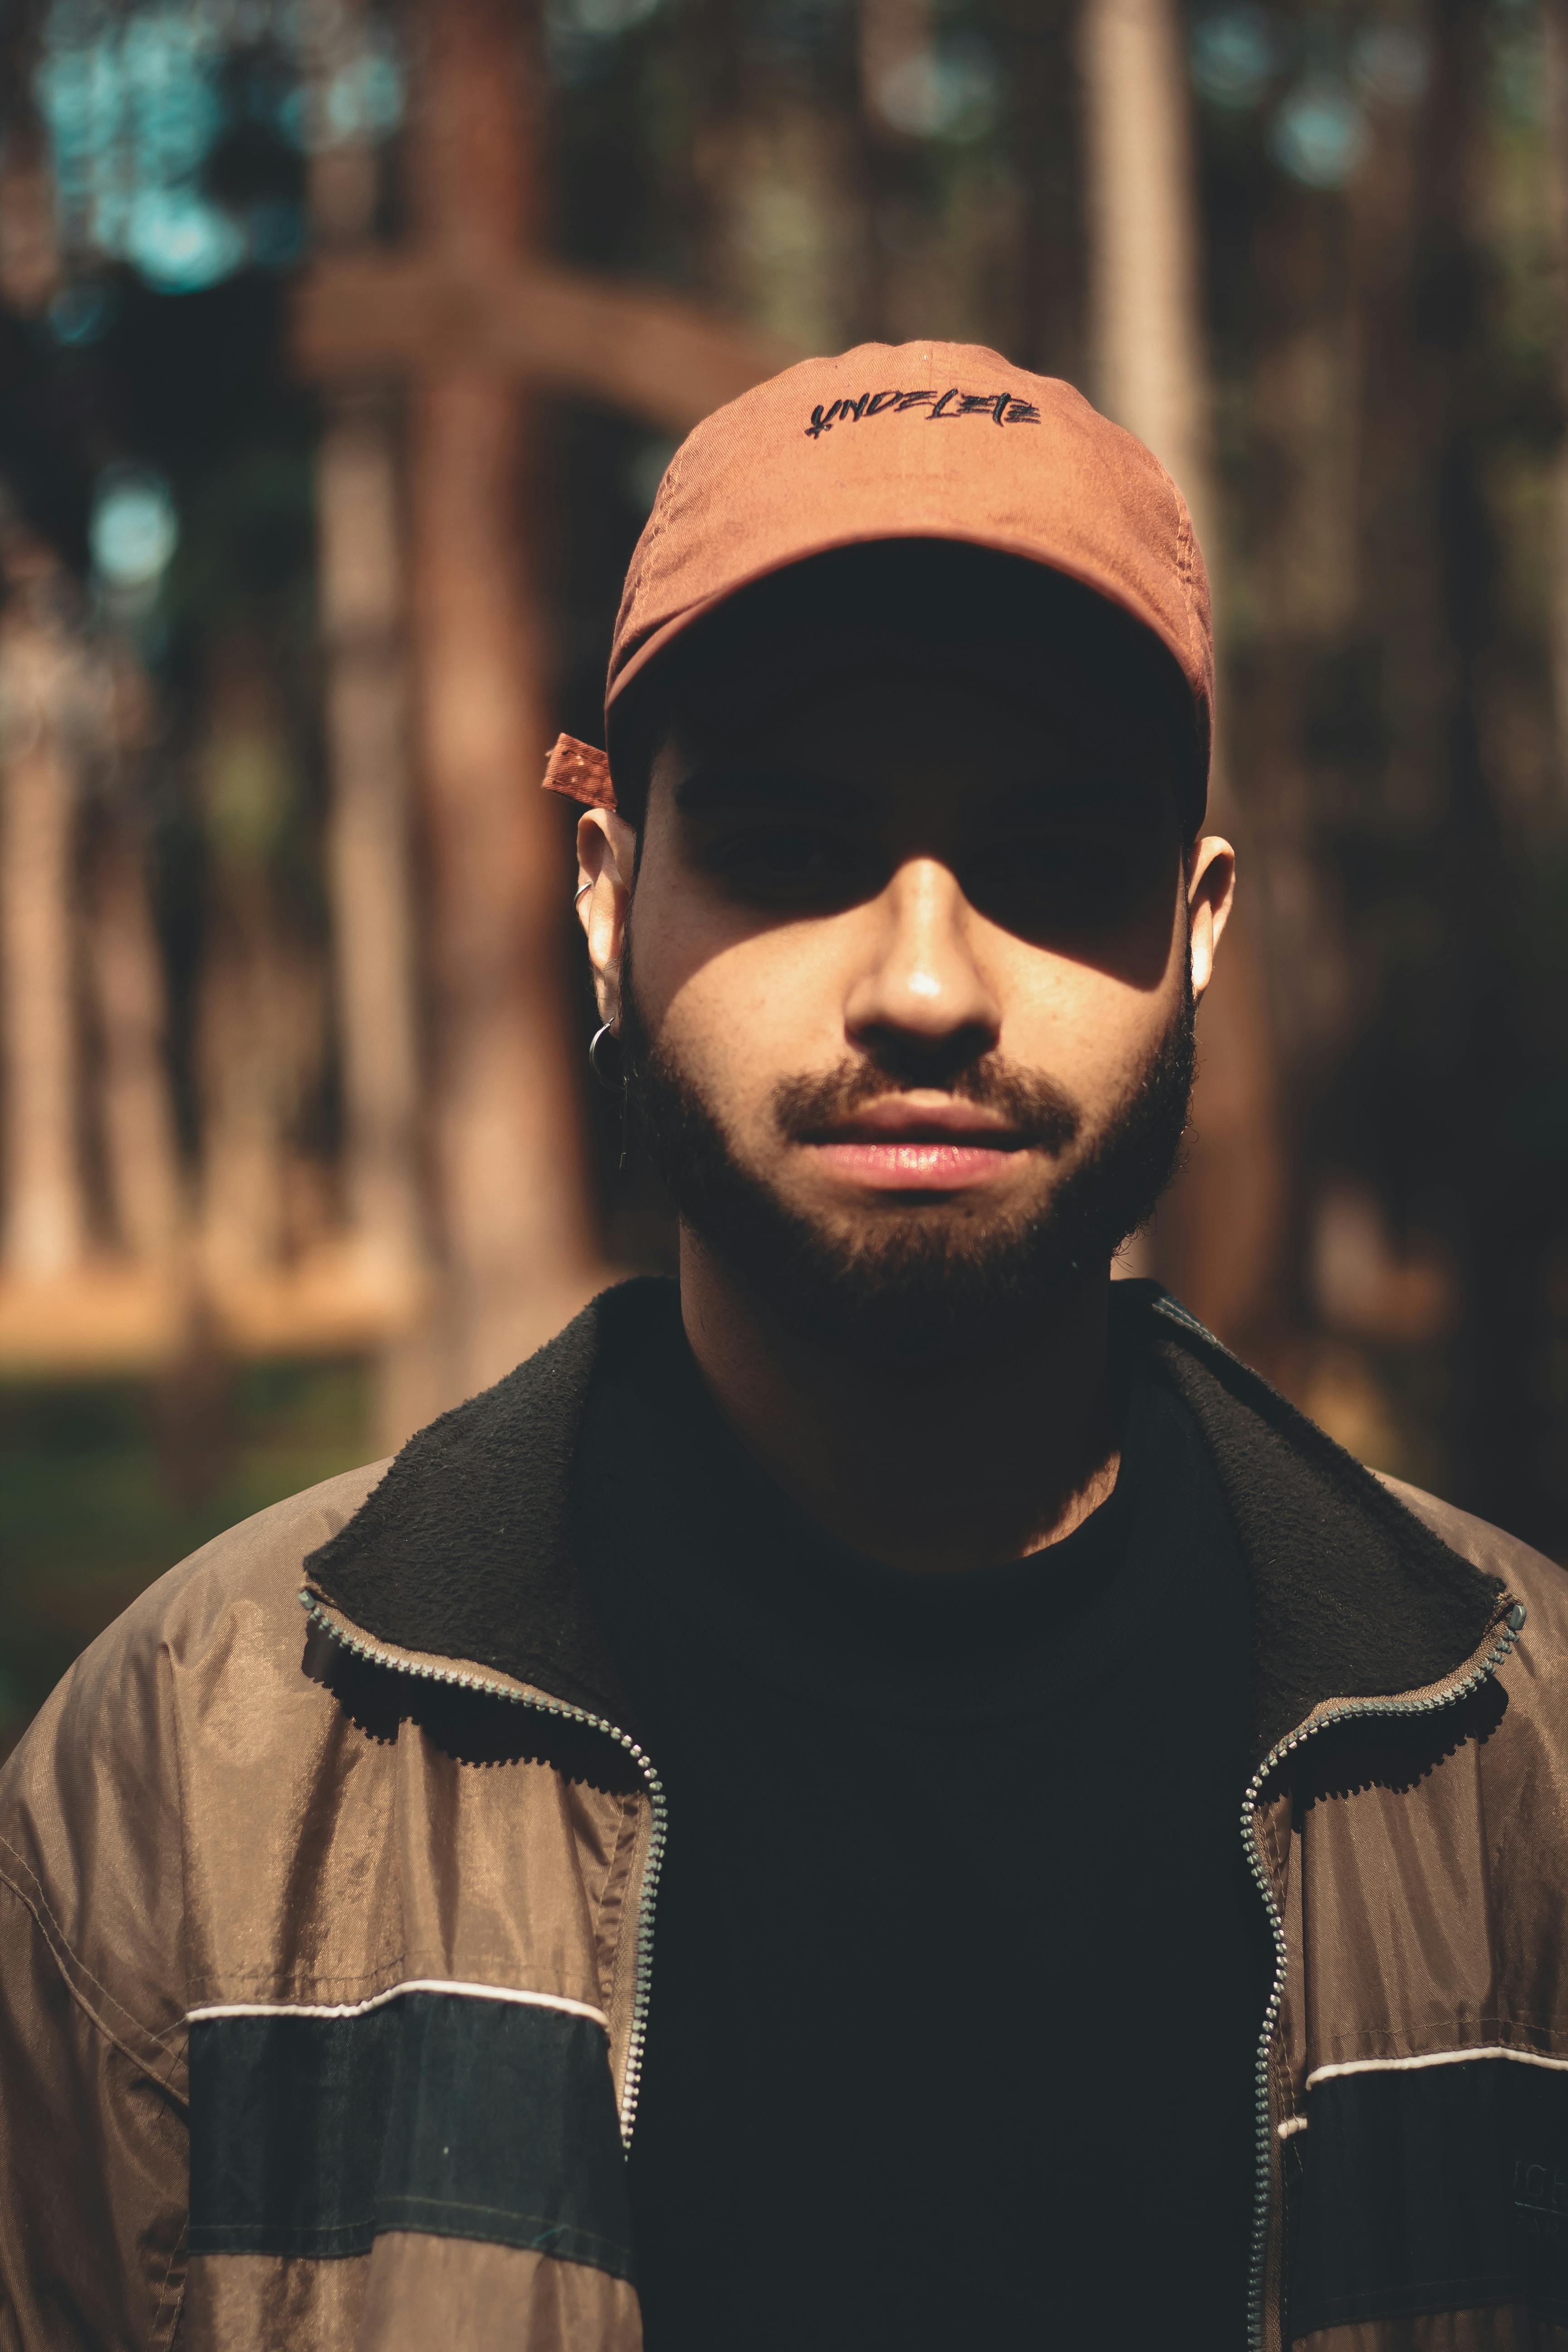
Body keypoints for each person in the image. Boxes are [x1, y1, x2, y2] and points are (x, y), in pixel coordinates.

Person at [0, 343, 1563, 2352]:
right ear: (607, 896)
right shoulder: (174, 1790)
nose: (924, 984)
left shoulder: (1524, 1784)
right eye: (794, 843)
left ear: (1196, 927)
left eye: (1056, 857)